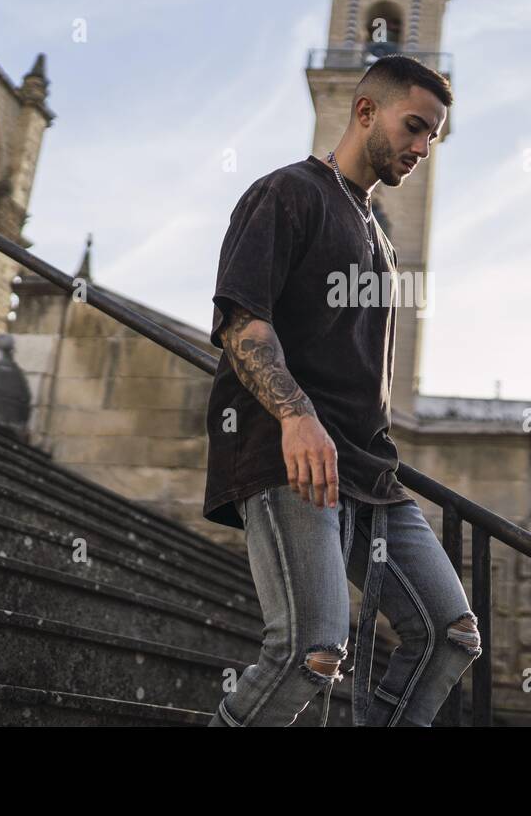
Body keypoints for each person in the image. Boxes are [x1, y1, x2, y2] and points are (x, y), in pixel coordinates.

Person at [203, 55, 481, 727]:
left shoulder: (379, 236)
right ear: (364, 111)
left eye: (432, 137)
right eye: (413, 127)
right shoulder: (289, 192)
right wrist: (297, 416)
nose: (420, 148)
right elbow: (243, 322)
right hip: (289, 454)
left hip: (371, 474)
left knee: (451, 634)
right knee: (312, 650)